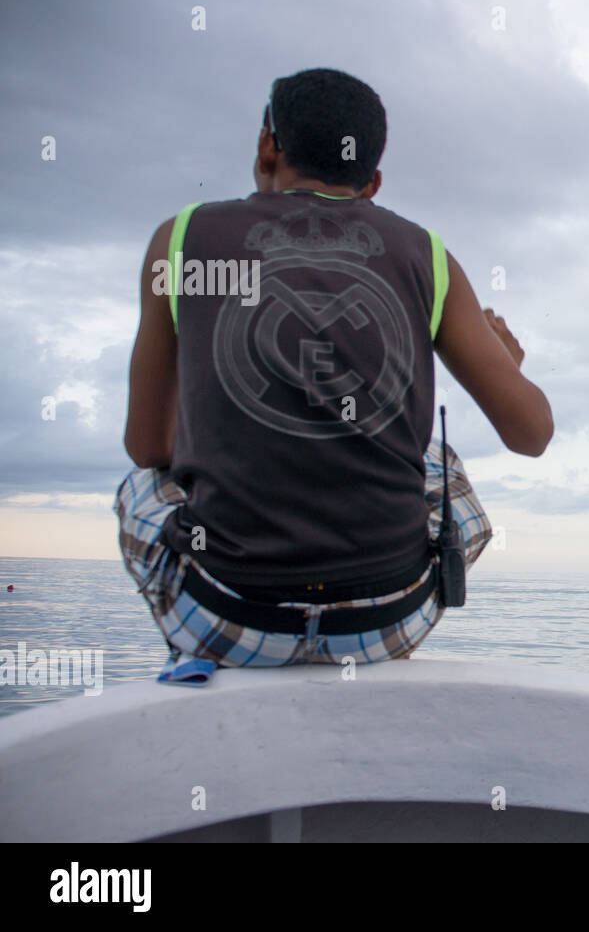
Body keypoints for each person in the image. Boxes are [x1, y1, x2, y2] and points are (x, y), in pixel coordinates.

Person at [118, 68, 553, 681]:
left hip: (224, 611)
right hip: (385, 621)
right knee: (438, 462)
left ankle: (204, 662)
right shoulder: (427, 254)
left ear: (269, 145)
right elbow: (531, 435)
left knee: (135, 487)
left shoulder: (181, 239)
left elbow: (146, 446)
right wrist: (505, 365)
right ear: (373, 181)